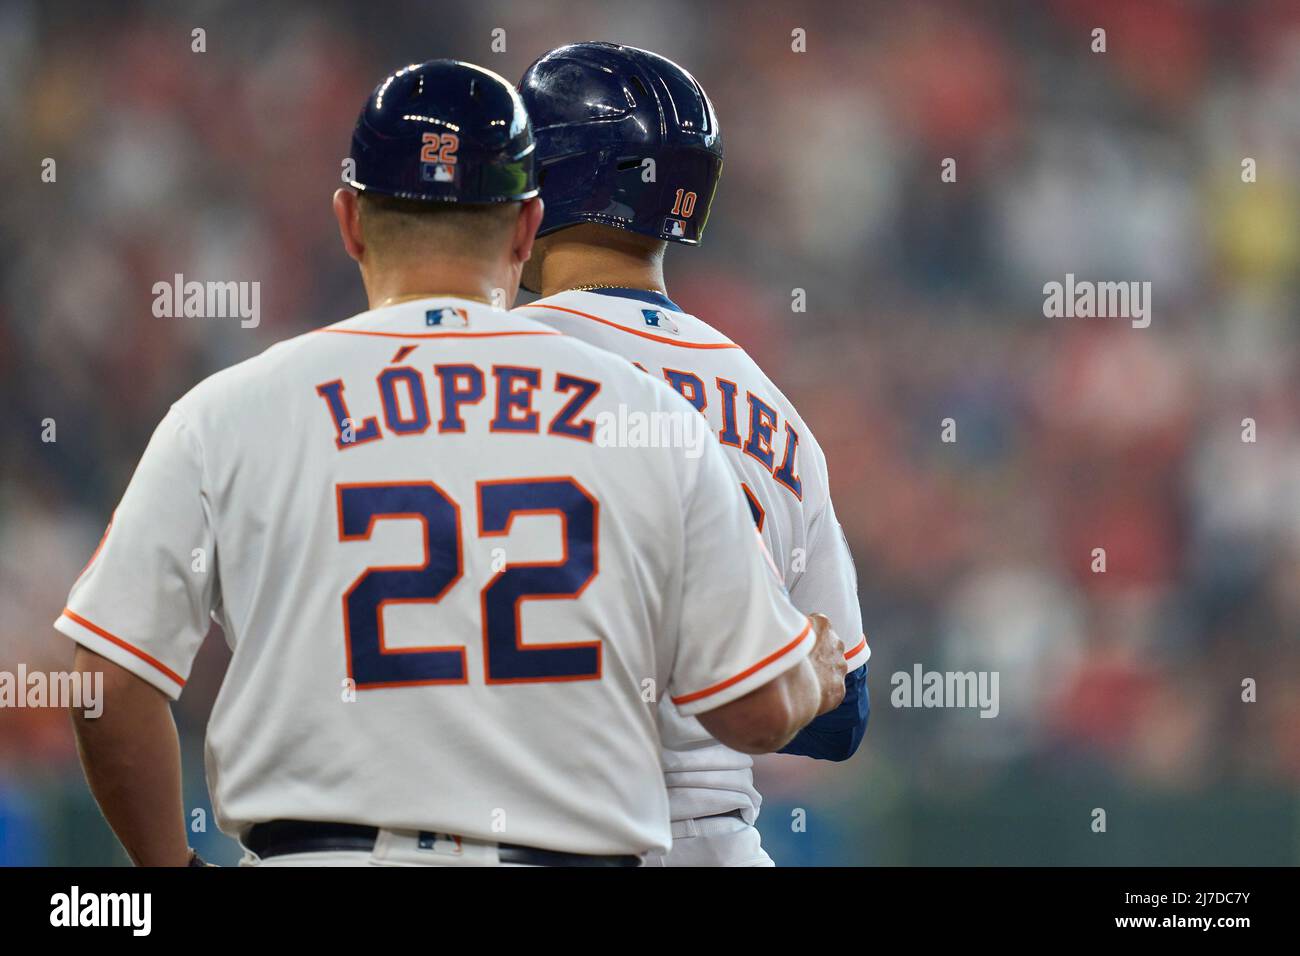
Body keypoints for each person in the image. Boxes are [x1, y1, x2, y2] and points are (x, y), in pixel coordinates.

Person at [56, 59, 846, 868]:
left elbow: (109, 684)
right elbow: (755, 708)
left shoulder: (224, 412)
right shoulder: (646, 414)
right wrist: (813, 668)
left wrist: (168, 867)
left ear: (350, 220)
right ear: (525, 225)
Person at [515, 43, 869, 866]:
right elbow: (844, 716)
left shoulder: (491, 368)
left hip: (529, 828)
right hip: (718, 842)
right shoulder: (775, 409)